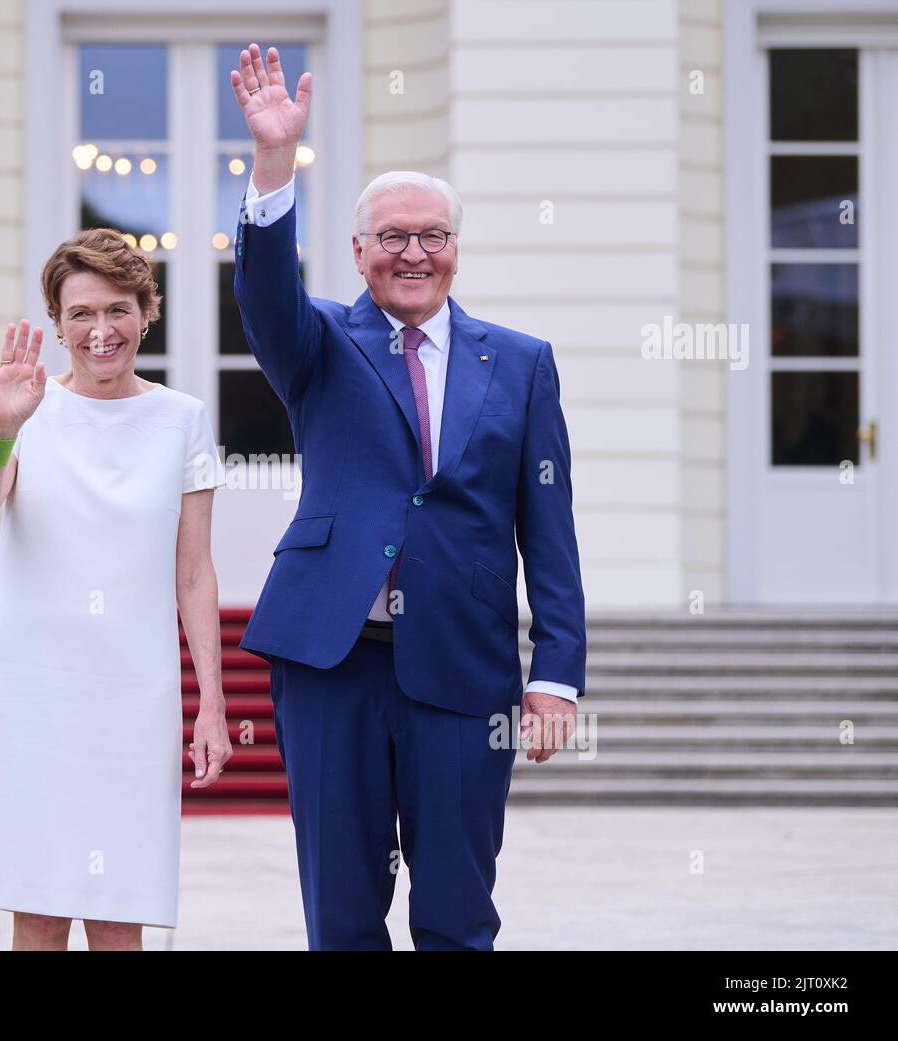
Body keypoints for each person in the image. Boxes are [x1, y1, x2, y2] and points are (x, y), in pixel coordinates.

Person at [230, 43, 587, 950]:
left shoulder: (521, 362)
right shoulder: (317, 344)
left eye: (432, 235)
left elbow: (548, 531)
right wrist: (275, 164)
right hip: (331, 661)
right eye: (392, 236)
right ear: (358, 251)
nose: (413, 252)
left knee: (459, 914)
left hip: (464, 669)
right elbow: (267, 294)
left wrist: (554, 675)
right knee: (342, 916)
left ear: (458, 252)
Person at [0, 228, 231, 950]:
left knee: (117, 907)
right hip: (31, 687)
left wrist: (212, 702)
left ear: (145, 313)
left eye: (120, 309)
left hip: (132, 692)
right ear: (58, 324)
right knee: (36, 909)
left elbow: (193, 573)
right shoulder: (27, 409)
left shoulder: (182, 419)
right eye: (83, 314)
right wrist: (2, 427)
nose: (103, 331)